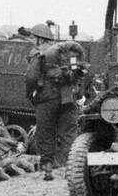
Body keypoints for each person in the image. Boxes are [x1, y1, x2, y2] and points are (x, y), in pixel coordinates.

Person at [24, 28, 88, 180]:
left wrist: (30, 94)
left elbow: (31, 77)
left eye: (34, 38)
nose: (33, 40)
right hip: (67, 99)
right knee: (69, 134)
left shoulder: (39, 53)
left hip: (47, 99)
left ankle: (47, 170)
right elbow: (76, 75)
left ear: (40, 39)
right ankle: (70, 169)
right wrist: (77, 96)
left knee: (46, 133)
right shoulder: (68, 54)